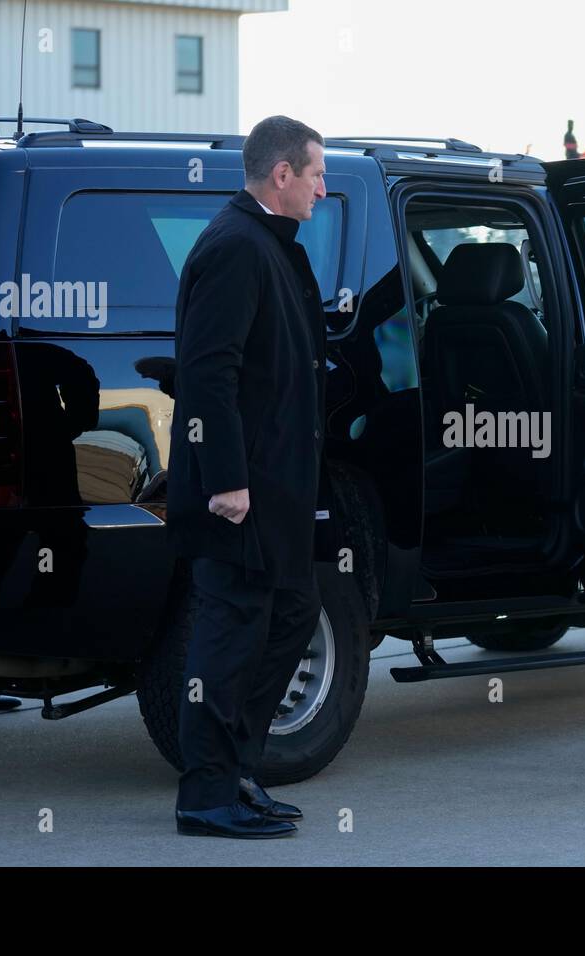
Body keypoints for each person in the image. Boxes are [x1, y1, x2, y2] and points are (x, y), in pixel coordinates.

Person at [166, 115, 328, 837]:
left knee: (292, 614)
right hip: (241, 492)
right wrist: (226, 479)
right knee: (229, 635)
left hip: (281, 489)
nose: (324, 188)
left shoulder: (269, 243)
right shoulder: (236, 247)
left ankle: (237, 767)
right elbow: (208, 372)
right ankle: (204, 792)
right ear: (282, 175)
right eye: (317, 173)